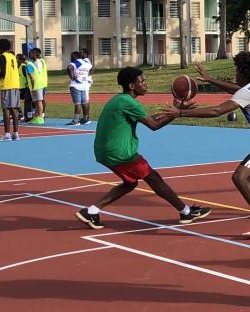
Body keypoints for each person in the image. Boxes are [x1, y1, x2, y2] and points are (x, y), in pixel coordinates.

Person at [163, 55, 250, 237]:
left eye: (237, 70)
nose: (236, 74)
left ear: (244, 72)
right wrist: (210, 80)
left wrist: (181, 112)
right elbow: (237, 89)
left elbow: (217, 111)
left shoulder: (247, 92)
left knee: (240, 177)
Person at [75, 66, 212, 229]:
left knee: (130, 183)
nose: (145, 84)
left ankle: (91, 211)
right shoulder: (129, 102)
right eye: (142, 81)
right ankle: (186, 212)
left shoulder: (120, 100)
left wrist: (177, 111)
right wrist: (177, 112)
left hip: (105, 151)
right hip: (120, 153)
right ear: (132, 86)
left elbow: (149, 119)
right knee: (153, 177)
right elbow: (154, 125)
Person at [0, 38, 22, 141]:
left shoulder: (2, 56)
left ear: (1, 48)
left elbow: (3, 73)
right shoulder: (12, 56)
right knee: (14, 109)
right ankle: (16, 133)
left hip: (7, 85)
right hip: (15, 84)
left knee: (6, 109)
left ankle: (6, 134)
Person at [27, 46, 49, 124]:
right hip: (37, 84)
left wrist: (33, 84)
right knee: (36, 102)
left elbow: (37, 74)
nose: (29, 55)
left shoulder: (38, 62)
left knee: (39, 101)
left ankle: (40, 117)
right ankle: (36, 116)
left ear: (35, 54)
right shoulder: (37, 62)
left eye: (30, 53)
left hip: (38, 85)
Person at [65, 51, 87, 125]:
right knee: (84, 102)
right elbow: (92, 69)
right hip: (84, 85)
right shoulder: (85, 62)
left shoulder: (77, 62)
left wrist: (72, 77)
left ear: (75, 56)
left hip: (76, 85)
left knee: (77, 103)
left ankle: (76, 120)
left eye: (71, 56)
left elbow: (69, 68)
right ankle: (85, 119)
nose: (70, 58)